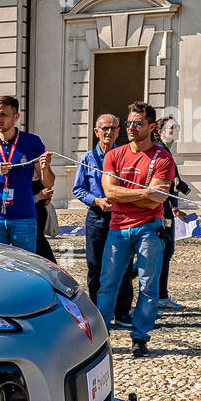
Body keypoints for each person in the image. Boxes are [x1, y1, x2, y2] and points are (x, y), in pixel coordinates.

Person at [97, 101, 176, 358]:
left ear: (151, 126)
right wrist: (144, 192)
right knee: (107, 284)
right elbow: (110, 191)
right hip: (117, 228)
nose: (130, 127)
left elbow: (157, 200)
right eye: (129, 122)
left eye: (137, 123)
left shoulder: (162, 157)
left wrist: (127, 194)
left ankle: (140, 338)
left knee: (148, 286)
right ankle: (100, 337)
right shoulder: (114, 155)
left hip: (148, 228)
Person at [73, 114, 133, 321]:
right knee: (96, 266)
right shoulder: (87, 159)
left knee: (123, 264)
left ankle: (123, 311)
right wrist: (96, 201)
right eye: (104, 128)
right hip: (97, 217)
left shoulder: (125, 157)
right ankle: (97, 311)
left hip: (121, 217)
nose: (109, 132)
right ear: (96, 131)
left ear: (118, 131)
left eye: (113, 128)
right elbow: (78, 189)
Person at [0, 95, 54, 252]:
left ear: (16, 117)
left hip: (24, 216)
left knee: (25, 266)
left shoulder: (31, 142)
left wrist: (45, 167)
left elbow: (48, 184)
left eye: (3, 115)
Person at [155, 117, 192, 310]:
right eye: (171, 128)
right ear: (160, 131)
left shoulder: (166, 151)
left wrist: (175, 207)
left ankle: (160, 295)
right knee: (164, 250)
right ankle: (160, 297)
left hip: (167, 207)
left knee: (164, 251)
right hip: (160, 209)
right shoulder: (160, 152)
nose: (175, 130)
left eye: (177, 127)